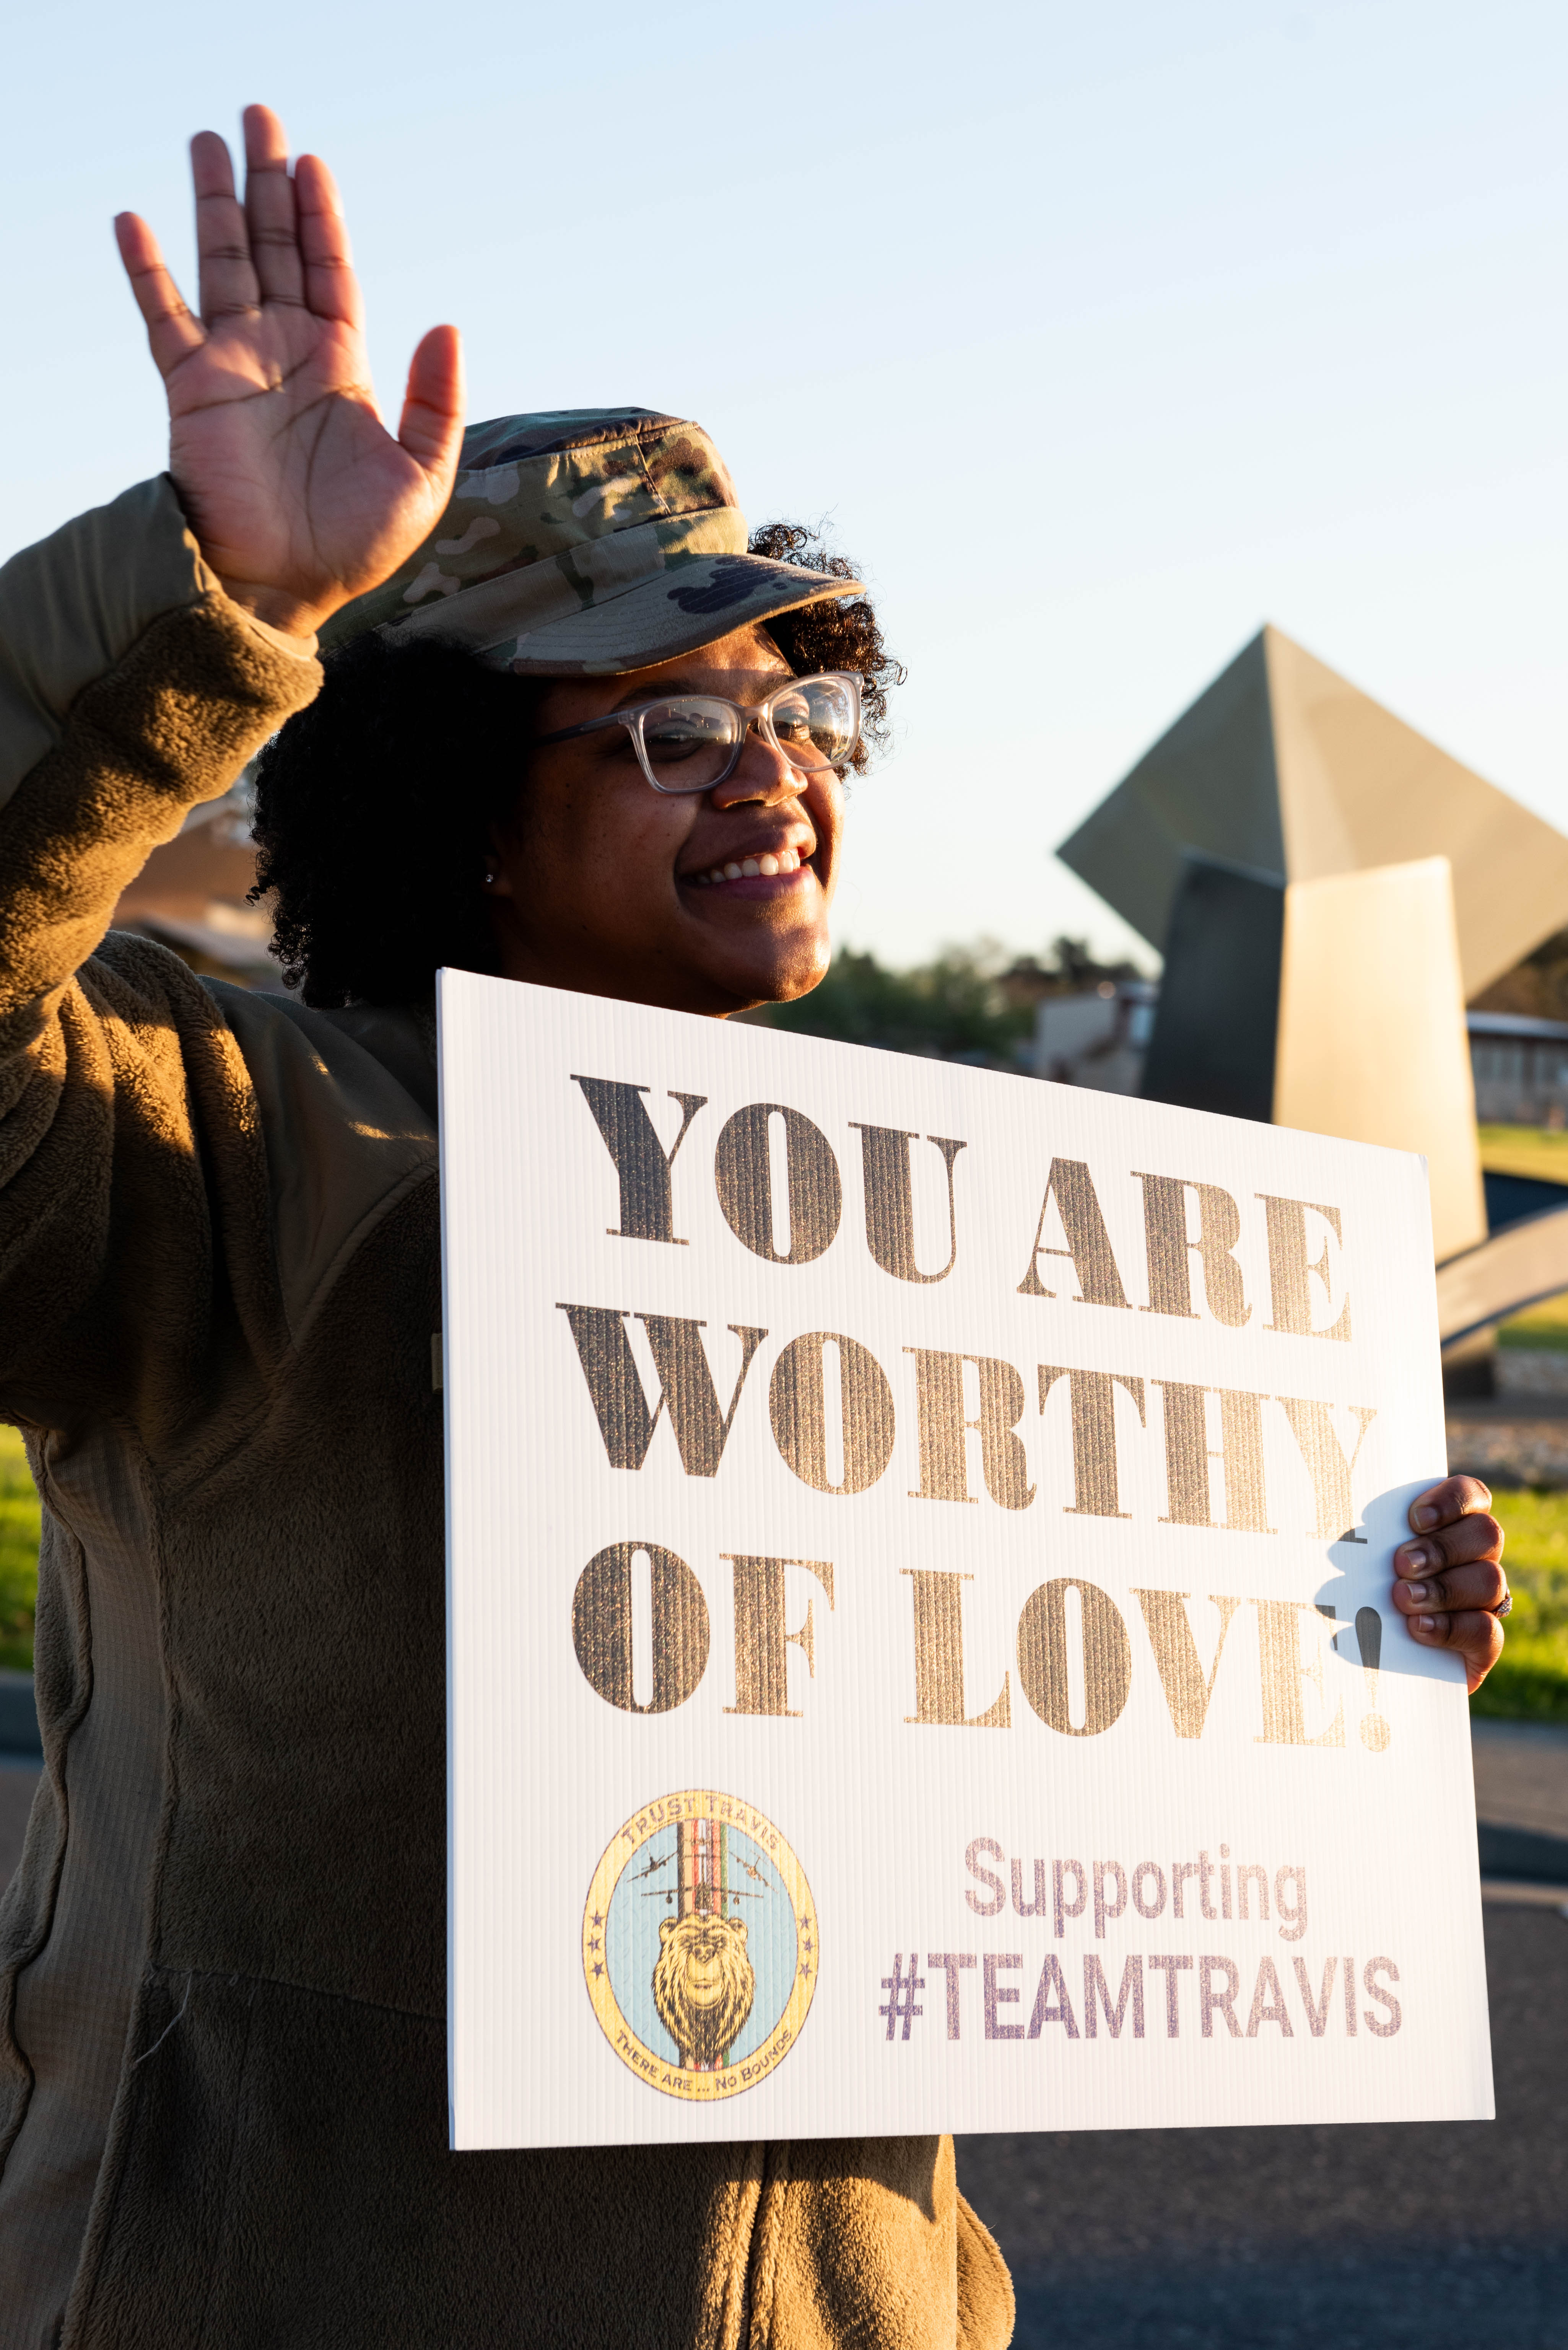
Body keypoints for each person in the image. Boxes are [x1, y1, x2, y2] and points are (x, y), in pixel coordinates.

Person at [0, 105, 1510, 2350]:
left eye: (798, 713)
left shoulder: (939, 1220)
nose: (773, 769)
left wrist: (1322, 1638)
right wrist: (209, 596)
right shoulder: (234, 1130)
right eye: (669, 725)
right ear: (456, 809)